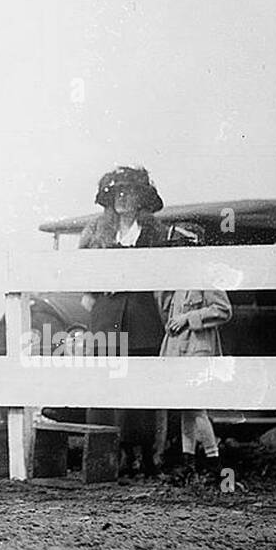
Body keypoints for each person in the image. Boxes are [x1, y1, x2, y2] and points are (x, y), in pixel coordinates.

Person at [78, 166, 168, 475]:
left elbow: (161, 273)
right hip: (107, 317)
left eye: (128, 192)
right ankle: (105, 457)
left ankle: (144, 456)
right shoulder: (96, 234)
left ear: (141, 198)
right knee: (106, 385)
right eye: (117, 193)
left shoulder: (155, 233)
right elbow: (84, 276)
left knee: (140, 389)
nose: (122, 199)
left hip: (142, 317)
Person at [160, 285, 232, 482]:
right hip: (177, 351)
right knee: (187, 409)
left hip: (198, 350)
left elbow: (224, 310)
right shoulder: (178, 281)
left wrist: (188, 318)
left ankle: (215, 466)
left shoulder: (207, 279)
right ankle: (188, 465)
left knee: (197, 408)